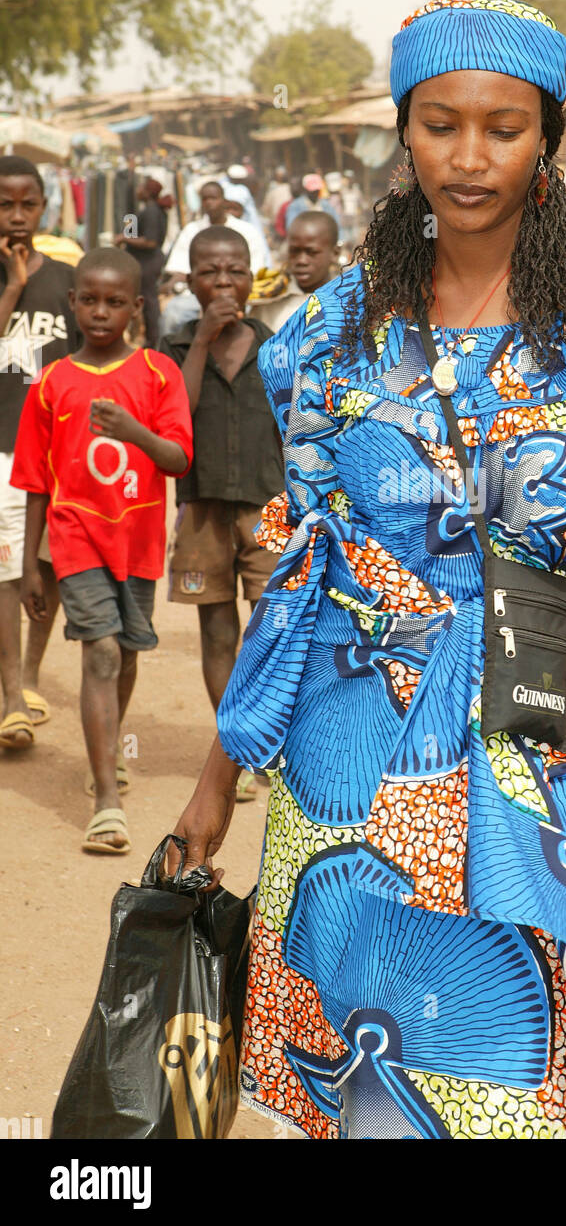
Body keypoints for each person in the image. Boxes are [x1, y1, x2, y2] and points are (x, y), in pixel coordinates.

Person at [167, 0, 566, 1140]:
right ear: (402, 130)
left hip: (527, 747)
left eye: (503, 127)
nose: (468, 158)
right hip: (342, 752)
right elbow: (297, 574)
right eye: (439, 123)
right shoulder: (326, 333)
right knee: (356, 1070)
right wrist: (217, 780)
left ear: (548, 137)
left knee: (507, 1075)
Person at [13, 248, 192, 853]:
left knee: (129, 651)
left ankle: (109, 749)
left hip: (137, 544)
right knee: (102, 652)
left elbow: (177, 459)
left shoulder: (157, 374)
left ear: (137, 308)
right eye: (89, 299)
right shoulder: (52, 383)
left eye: (115, 302)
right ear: (72, 304)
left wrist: (134, 432)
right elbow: (36, 481)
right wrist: (32, 566)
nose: (100, 311)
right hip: (73, 538)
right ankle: (105, 801)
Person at [159, 227, 283, 805]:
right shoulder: (175, 349)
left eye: (235, 270)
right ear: (190, 282)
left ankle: (273, 746)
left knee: (272, 627)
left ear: (251, 279)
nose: (224, 282)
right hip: (201, 509)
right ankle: (233, 746)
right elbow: (171, 422)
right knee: (216, 630)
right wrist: (203, 342)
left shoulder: (277, 345)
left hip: (267, 507)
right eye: (210, 272)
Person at [0, 155, 73, 749]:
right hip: (3, 450)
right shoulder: (13, 279)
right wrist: (13, 286)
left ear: (44, 208)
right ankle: (10, 698)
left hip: (54, 453)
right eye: (5, 205)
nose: (18, 217)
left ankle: (28, 675)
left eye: (28, 205)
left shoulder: (66, 280)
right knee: (6, 569)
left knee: (44, 568)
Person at [247, 211, 339, 333]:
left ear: (335, 253)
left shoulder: (349, 302)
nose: (301, 261)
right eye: (294, 251)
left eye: (311, 252)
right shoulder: (267, 301)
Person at [164, 181, 271, 280]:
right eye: (205, 199)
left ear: (224, 201)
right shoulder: (191, 231)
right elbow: (178, 267)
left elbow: (256, 267)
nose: (209, 203)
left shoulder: (246, 230)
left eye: (213, 198)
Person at [116, 176, 172, 348]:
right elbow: (133, 233)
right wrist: (126, 234)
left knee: (149, 300)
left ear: (147, 192)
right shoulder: (143, 209)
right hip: (142, 260)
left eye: (140, 187)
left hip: (148, 262)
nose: (137, 190)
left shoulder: (152, 212)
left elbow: (150, 242)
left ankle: (153, 339)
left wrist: (123, 238)